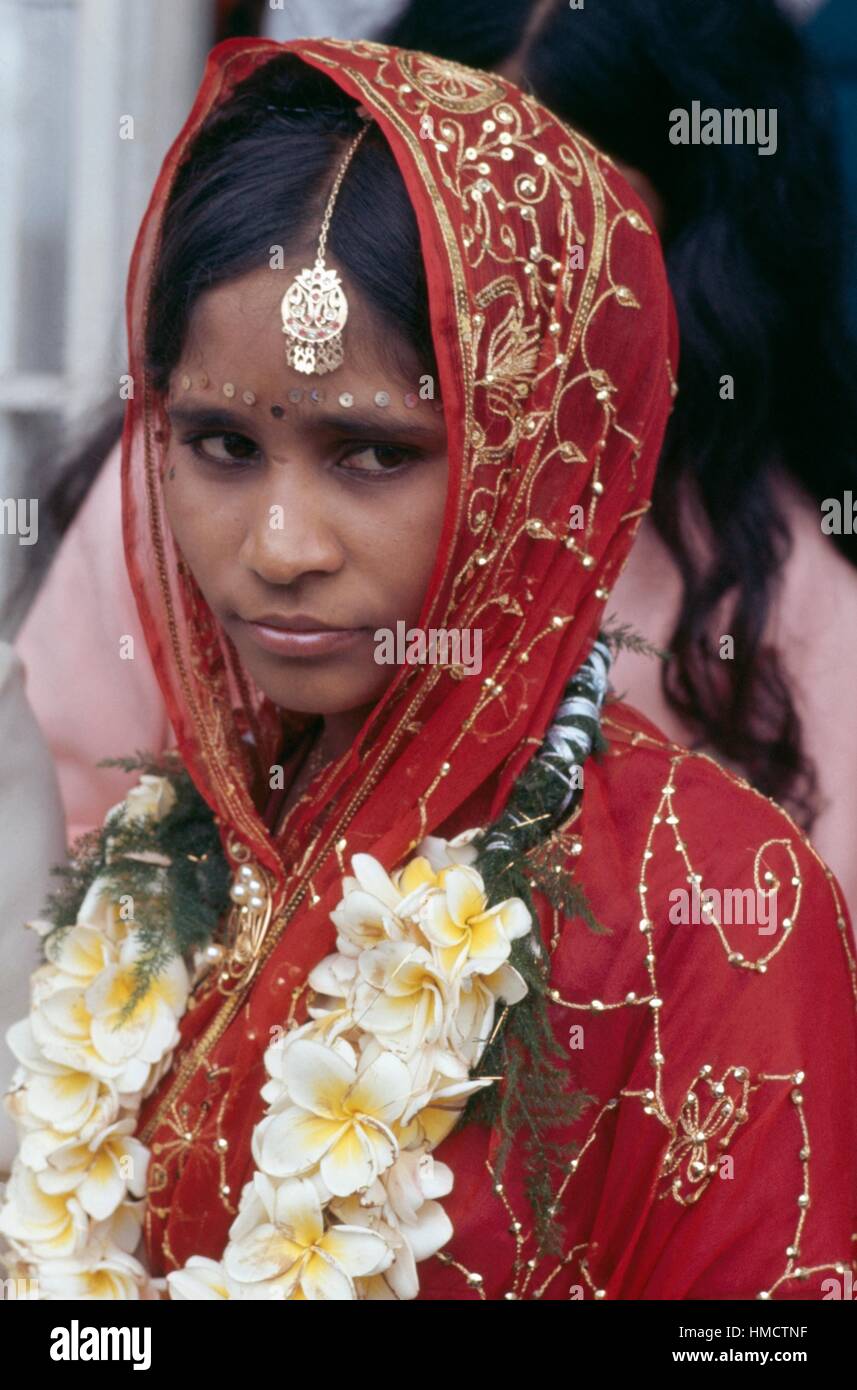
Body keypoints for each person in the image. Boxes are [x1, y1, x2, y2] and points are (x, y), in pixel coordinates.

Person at [1, 38, 854, 1301]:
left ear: (533, 457)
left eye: (371, 453)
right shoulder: (170, 858)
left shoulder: (720, 907)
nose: (279, 548)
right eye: (222, 442)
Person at [384, 0, 857, 915]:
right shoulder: (233, 461)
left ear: (694, 247)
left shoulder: (787, 585)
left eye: (574, 225)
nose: (499, 279)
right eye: (449, 211)